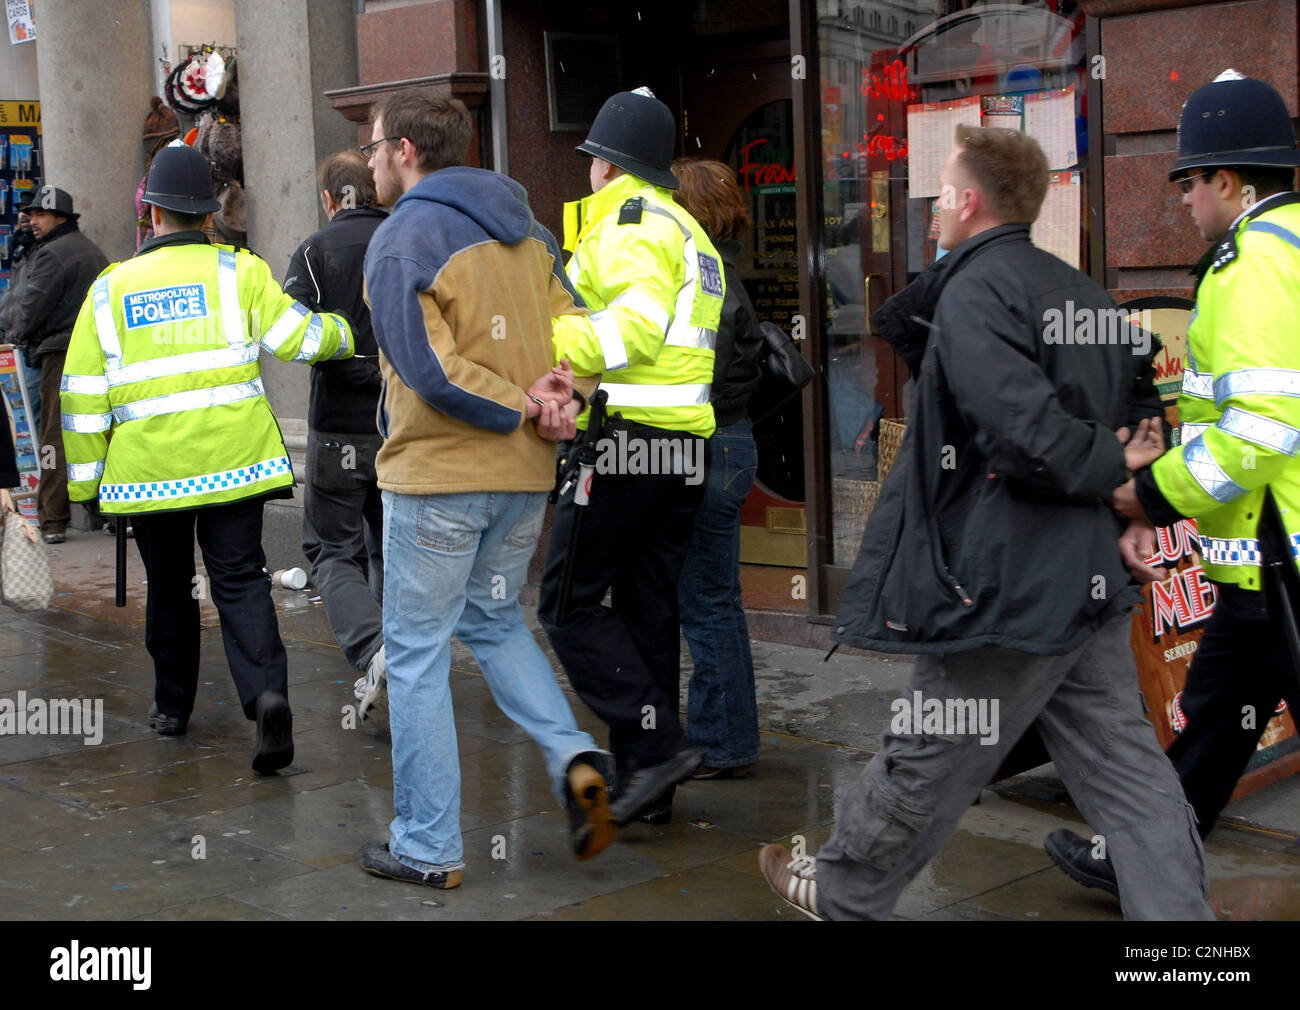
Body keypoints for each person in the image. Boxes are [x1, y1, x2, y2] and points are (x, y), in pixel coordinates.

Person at [758, 125, 1214, 921]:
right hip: (1084, 581)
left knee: (932, 746)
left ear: (968, 201)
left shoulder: (975, 290)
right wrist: (1132, 487)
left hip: (1007, 585)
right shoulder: (1077, 292)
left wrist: (1117, 482)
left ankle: (843, 888)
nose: (931, 211)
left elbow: (1023, 429)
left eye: (940, 195)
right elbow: (1142, 398)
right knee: (1127, 772)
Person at [1046, 71, 1300, 899]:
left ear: (1228, 180)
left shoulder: (1255, 263)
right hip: (1264, 562)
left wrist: (1149, 497)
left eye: (1190, 182)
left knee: (1221, 709)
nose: (1186, 201)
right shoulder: (1289, 245)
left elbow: (1261, 431)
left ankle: (1138, 855)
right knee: (1220, 717)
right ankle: (1139, 856)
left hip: (1280, 559)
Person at [356, 89, 617, 890]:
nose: (367, 161)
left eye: (372, 146)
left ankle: (428, 845)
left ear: (406, 150)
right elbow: (569, 332)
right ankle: (575, 757)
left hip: (441, 477)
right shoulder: (531, 234)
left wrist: (523, 401)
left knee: (418, 654)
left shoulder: (403, 238)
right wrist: (556, 396)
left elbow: (428, 370)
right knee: (496, 620)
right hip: (523, 477)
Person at [60, 142, 353, 773]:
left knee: (169, 588)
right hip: (235, 463)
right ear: (208, 212)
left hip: (150, 479)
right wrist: (350, 331)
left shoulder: (110, 289)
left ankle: (171, 708)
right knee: (241, 580)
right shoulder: (238, 271)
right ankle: (267, 695)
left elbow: (81, 397)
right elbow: (297, 338)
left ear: (153, 212)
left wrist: (85, 487)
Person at [538, 87, 726, 827]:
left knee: (567, 603)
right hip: (683, 445)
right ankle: (652, 785)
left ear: (609, 166)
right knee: (649, 606)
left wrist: (553, 346)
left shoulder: (632, 221)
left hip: (628, 442)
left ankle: (655, 748)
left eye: (592, 160)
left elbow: (635, 331)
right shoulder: (691, 232)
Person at [283, 150, 389, 719]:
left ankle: (374, 649)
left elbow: (294, 335)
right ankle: (402, 654)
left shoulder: (314, 250)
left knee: (331, 548)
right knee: (391, 542)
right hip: (400, 420)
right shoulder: (406, 237)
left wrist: (348, 357)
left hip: (338, 428)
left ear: (330, 198)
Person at [670, 158, 764, 786]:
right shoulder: (723, 265)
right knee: (713, 598)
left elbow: (700, 372)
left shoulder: (705, 273)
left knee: (705, 602)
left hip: (709, 445)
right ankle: (728, 735)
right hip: (729, 444)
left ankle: (723, 742)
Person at [9, 187, 107, 544]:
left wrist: (18, 336)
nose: (32, 221)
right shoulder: (91, 250)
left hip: (61, 354)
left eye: (39, 215)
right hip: (96, 353)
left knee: (54, 438)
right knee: (99, 430)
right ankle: (110, 513)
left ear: (60, 217)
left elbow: (31, 308)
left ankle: (51, 518)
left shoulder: (53, 254)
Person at [0, 210, 42, 427]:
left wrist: (16, 336)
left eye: (34, 212)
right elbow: (14, 298)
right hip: (18, 344)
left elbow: (30, 304)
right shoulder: (23, 248)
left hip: (29, 348)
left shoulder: (43, 252)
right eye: (24, 211)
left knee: (34, 418)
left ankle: (46, 462)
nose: (26, 217)